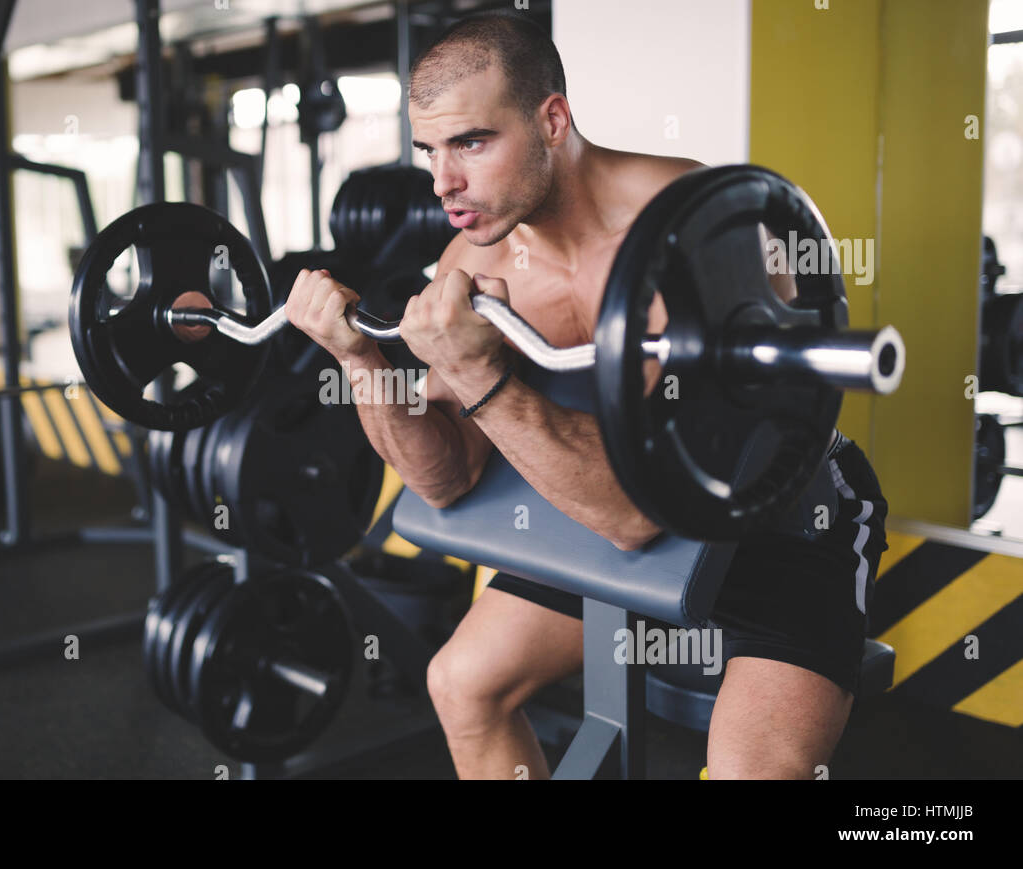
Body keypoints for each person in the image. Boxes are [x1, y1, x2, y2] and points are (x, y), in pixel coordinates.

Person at [285, 11, 888, 779]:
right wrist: (359, 359)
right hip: (593, 507)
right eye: (430, 152)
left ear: (553, 119)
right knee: (461, 684)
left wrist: (476, 373)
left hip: (784, 523)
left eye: (471, 142)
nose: (443, 183)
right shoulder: (470, 257)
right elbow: (447, 480)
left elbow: (639, 516)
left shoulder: (693, 230)